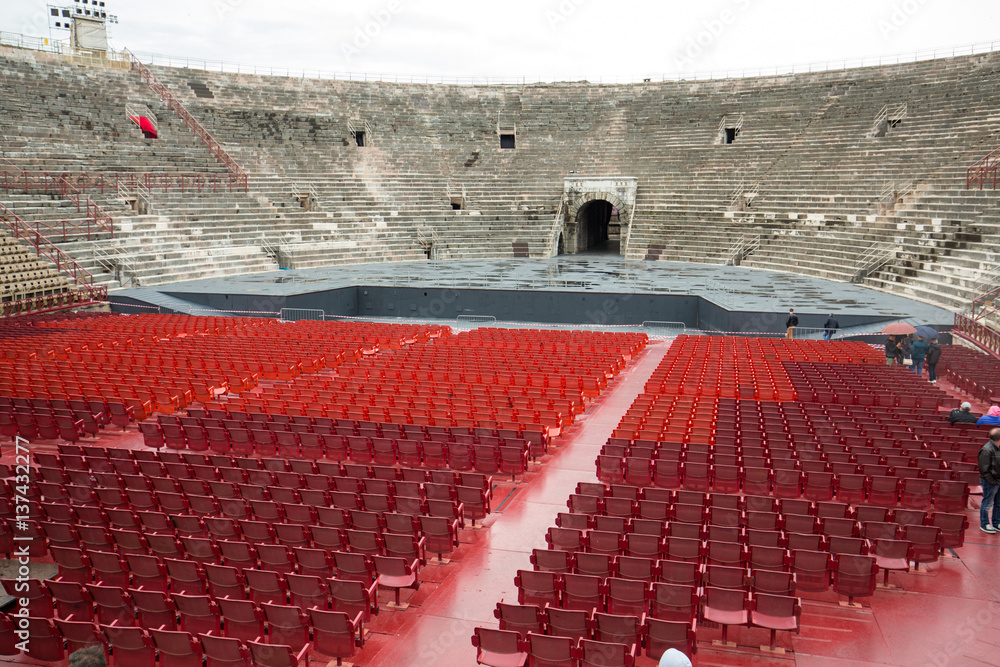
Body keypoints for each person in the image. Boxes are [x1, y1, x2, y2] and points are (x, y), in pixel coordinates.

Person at [978, 428, 1000, 533]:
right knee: (987, 503)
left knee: (998, 503)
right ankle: (984, 523)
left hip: (998, 481)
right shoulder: (987, 449)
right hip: (991, 482)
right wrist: (993, 481)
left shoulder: (998, 448)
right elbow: (983, 470)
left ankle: (996, 522)